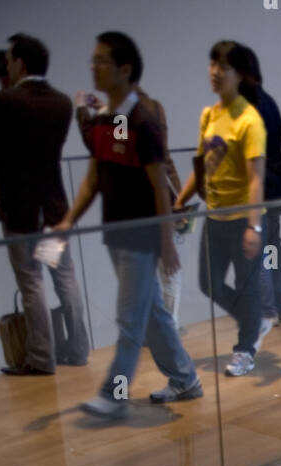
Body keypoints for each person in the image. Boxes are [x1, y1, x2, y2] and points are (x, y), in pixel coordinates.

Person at [55, 32, 201, 417]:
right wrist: (68, 221)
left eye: (102, 60)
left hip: (142, 237)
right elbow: (95, 178)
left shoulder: (143, 121)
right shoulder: (113, 120)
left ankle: (114, 393)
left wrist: (166, 243)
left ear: (125, 69)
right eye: (93, 59)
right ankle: (186, 379)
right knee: (153, 315)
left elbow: (158, 186)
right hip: (116, 235)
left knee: (130, 320)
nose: (93, 67)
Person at [0, 35, 90, 376]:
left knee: (31, 282)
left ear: (19, 63)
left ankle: (41, 357)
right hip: (54, 211)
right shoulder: (61, 102)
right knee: (64, 278)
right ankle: (77, 349)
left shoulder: (7, 100)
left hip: (21, 213)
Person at [173, 40, 266, 379]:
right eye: (212, 64)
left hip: (243, 216)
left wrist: (254, 227)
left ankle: (245, 349)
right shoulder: (209, 116)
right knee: (208, 282)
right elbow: (204, 167)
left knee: (247, 286)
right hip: (214, 216)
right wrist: (180, 199)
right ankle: (253, 319)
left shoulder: (250, 120)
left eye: (223, 67)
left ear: (239, 75)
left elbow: (256, 179)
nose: (214, 72)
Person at [75, 77, 186, 328]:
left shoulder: (124, 117)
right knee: (168, 274)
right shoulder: (154, 108)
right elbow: (165, 159)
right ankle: (169, 326)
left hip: (138, 208)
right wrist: (180, 200)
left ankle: (161, 330)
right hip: (163, 202)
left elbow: (103, 144)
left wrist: (82, 111)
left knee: (144, 276)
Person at [236, 44, 281, 336]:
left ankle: (269, 309)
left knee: (260, 248)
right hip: (276, 185)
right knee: (273, 243)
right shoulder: (268, 100)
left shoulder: (251, 106)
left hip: (261, 188)